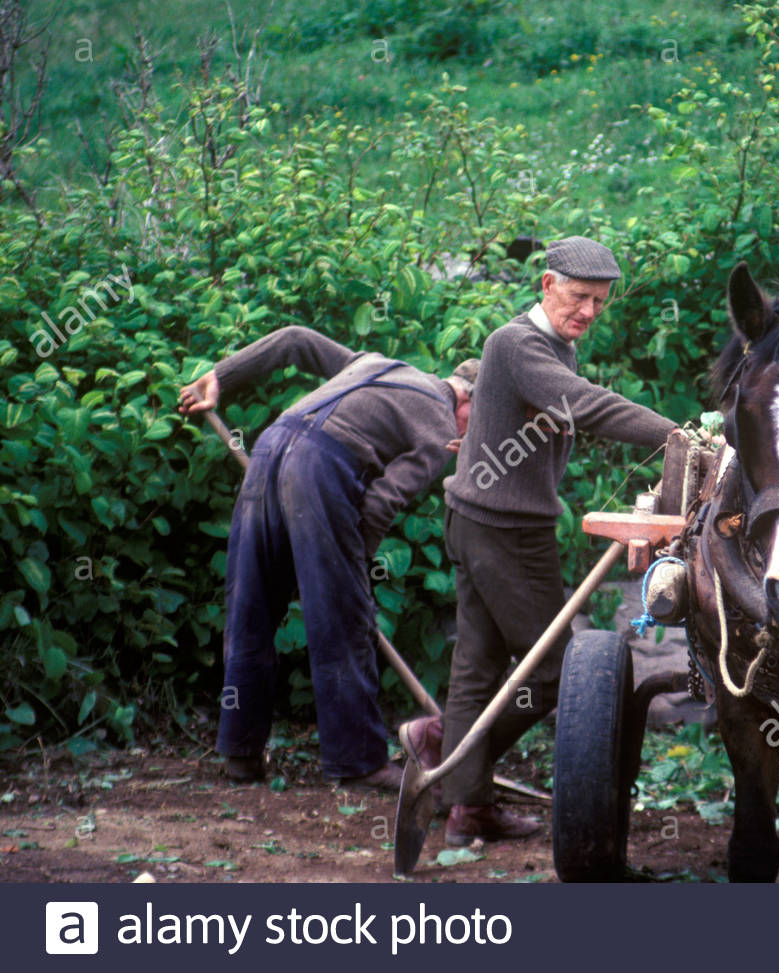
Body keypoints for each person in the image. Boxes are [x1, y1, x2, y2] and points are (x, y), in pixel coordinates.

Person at [397, 236, 677, 851]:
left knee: (477, 668)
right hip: (506, 533)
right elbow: (585, 407)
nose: (588, 313)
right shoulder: (519, 344)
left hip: (477, 521)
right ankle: (447, 752)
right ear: (546, 286)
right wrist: (678, 436)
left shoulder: (548, 347)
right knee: (553, 673)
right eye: (579, 297)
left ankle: (465, 806)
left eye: (600, 303)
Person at [178, 326, 476, 791]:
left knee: (250, 608)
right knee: (344, 618)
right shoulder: (439, 424)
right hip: (321, 466)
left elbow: (295, 339)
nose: (466, 440)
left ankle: (241, 754)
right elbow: (379, 505)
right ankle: (358, 764)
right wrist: (352, 575)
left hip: (271, 448)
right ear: (466, 403)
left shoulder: (375, 362)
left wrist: (220, 376)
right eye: (474, 426)